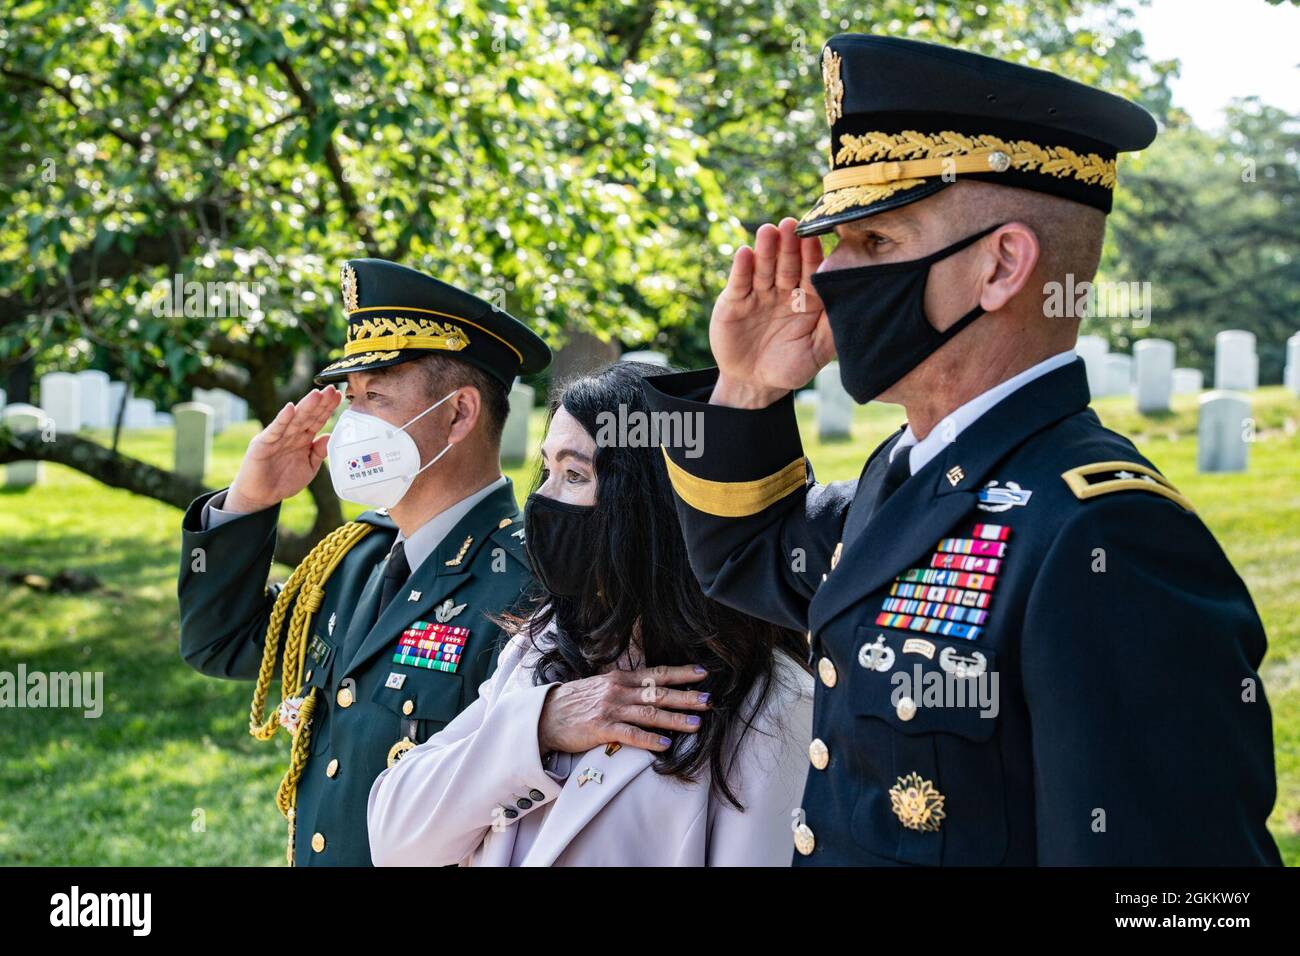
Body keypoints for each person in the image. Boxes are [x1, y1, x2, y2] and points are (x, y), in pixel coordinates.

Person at [642, 35, 1281, 865]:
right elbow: (751, 557)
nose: (826, 278)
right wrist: (750, 389)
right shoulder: (907, 475)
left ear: (1002, 266)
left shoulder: (1106, 537)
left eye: (875, 245)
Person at [176, 258, 551, 866]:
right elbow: (218, 644)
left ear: (458, 413)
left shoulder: (534, 583)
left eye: (375, 396)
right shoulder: (351, 559)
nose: (351, 424)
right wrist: (249, 501)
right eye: (350, 398)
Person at [366, 361, 813, 866]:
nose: (540, 499)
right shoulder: (542, 649)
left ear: (651, 505)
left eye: (574, 474)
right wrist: (540, 727)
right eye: (548, 469)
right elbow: (395, 836)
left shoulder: (771, 706)